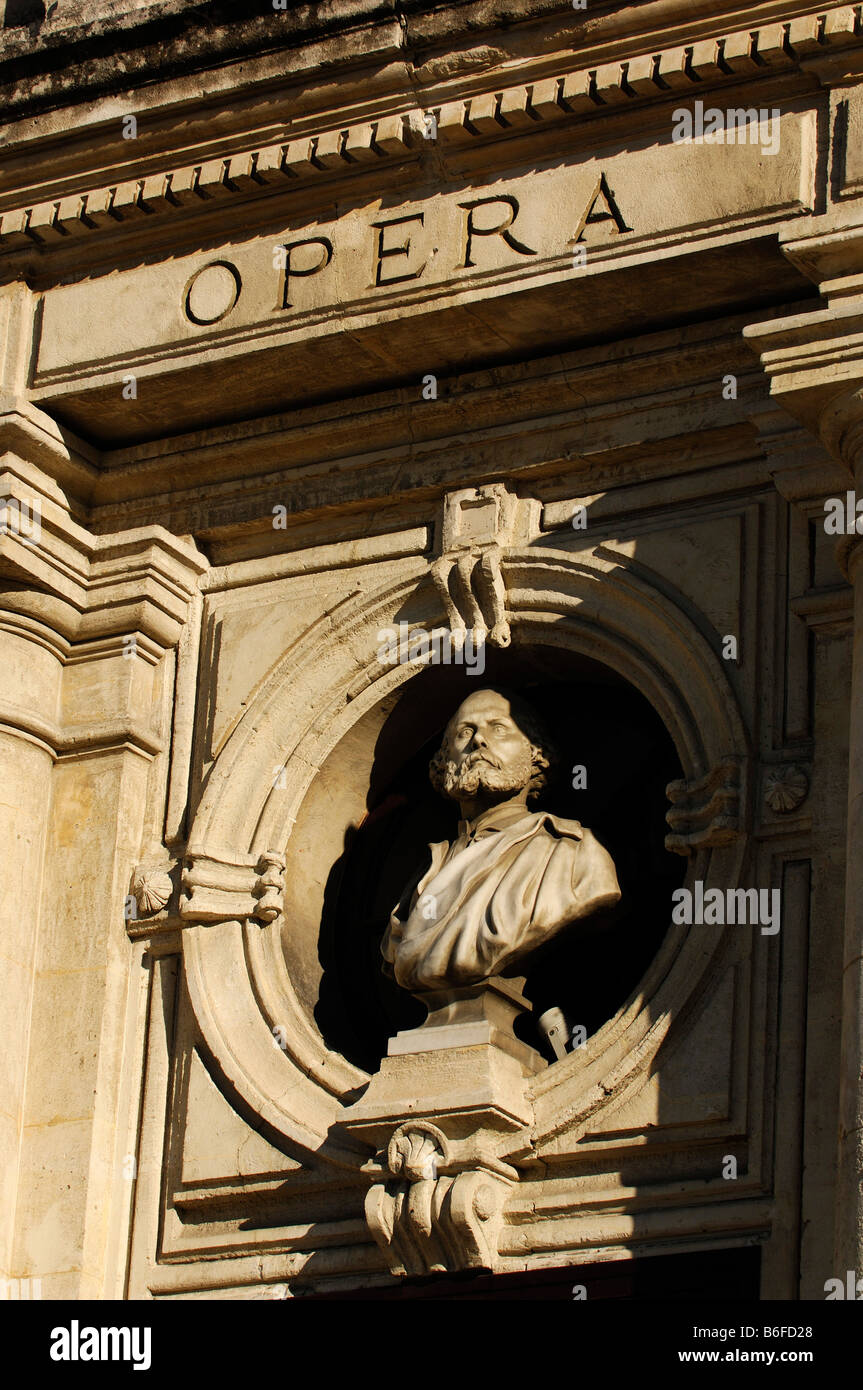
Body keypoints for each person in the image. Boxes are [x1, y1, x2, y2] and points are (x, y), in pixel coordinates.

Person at [382, 687, 621, 993]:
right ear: (443, 761)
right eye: (464, 732)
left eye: (498, 728)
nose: (478, 740)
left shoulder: (574, 854)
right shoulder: (428, 868)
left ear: (535, 753)